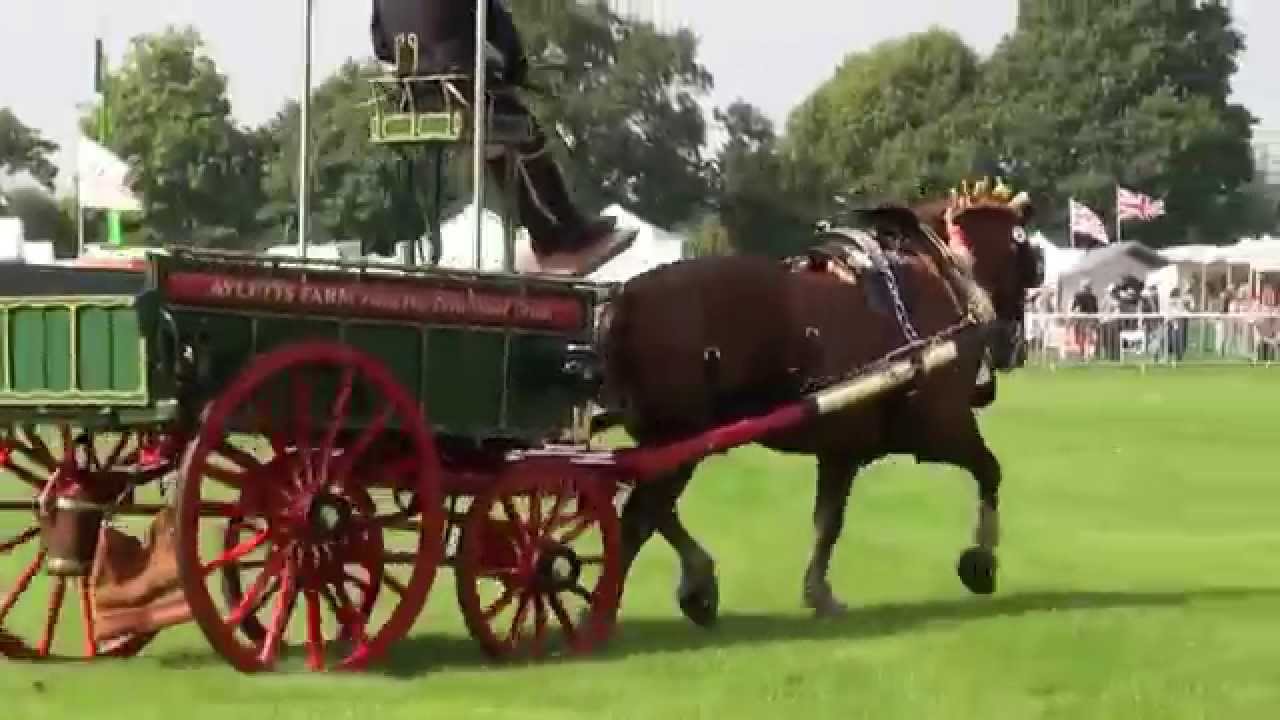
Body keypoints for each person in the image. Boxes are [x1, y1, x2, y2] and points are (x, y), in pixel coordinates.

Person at [369, 0, 636, 275]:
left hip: (413, 101)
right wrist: (513, 71)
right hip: (461, 91)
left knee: (494, 141)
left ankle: (541, 230)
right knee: (525, 131)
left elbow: (381, 48)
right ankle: (569, 225)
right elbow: (502, 32)